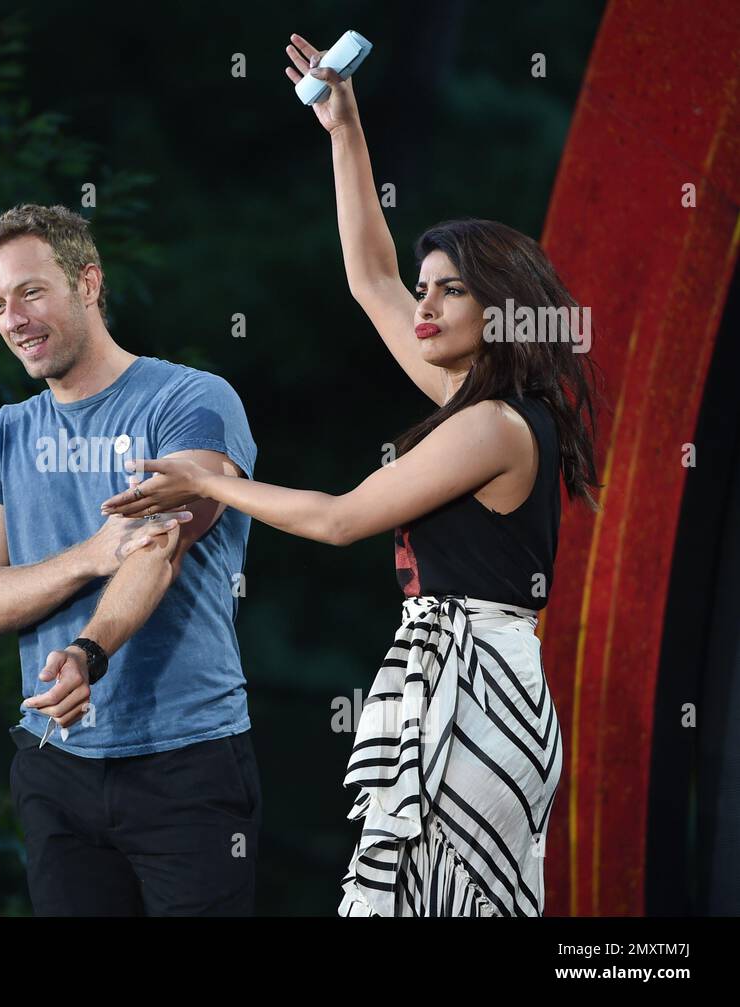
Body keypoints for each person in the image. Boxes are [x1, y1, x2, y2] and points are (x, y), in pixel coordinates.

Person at [101, 35, 602, 917]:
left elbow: (338, 520)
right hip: (457, 679)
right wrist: (345, 129)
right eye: (428, 287)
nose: (425, 304)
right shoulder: (478, 402)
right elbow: (370, 276)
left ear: (499, 307)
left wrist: (207, 480)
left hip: (475, 691)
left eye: (448, 290)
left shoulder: (493, 424)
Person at [0, 204, 261, 915]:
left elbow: (159, 548)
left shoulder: (190, 398)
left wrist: (88, 651)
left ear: (88, 282)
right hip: (54, 763)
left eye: (31, 292)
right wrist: (91, 555)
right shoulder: (0, 434)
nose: (13, 319)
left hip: (188, 758)